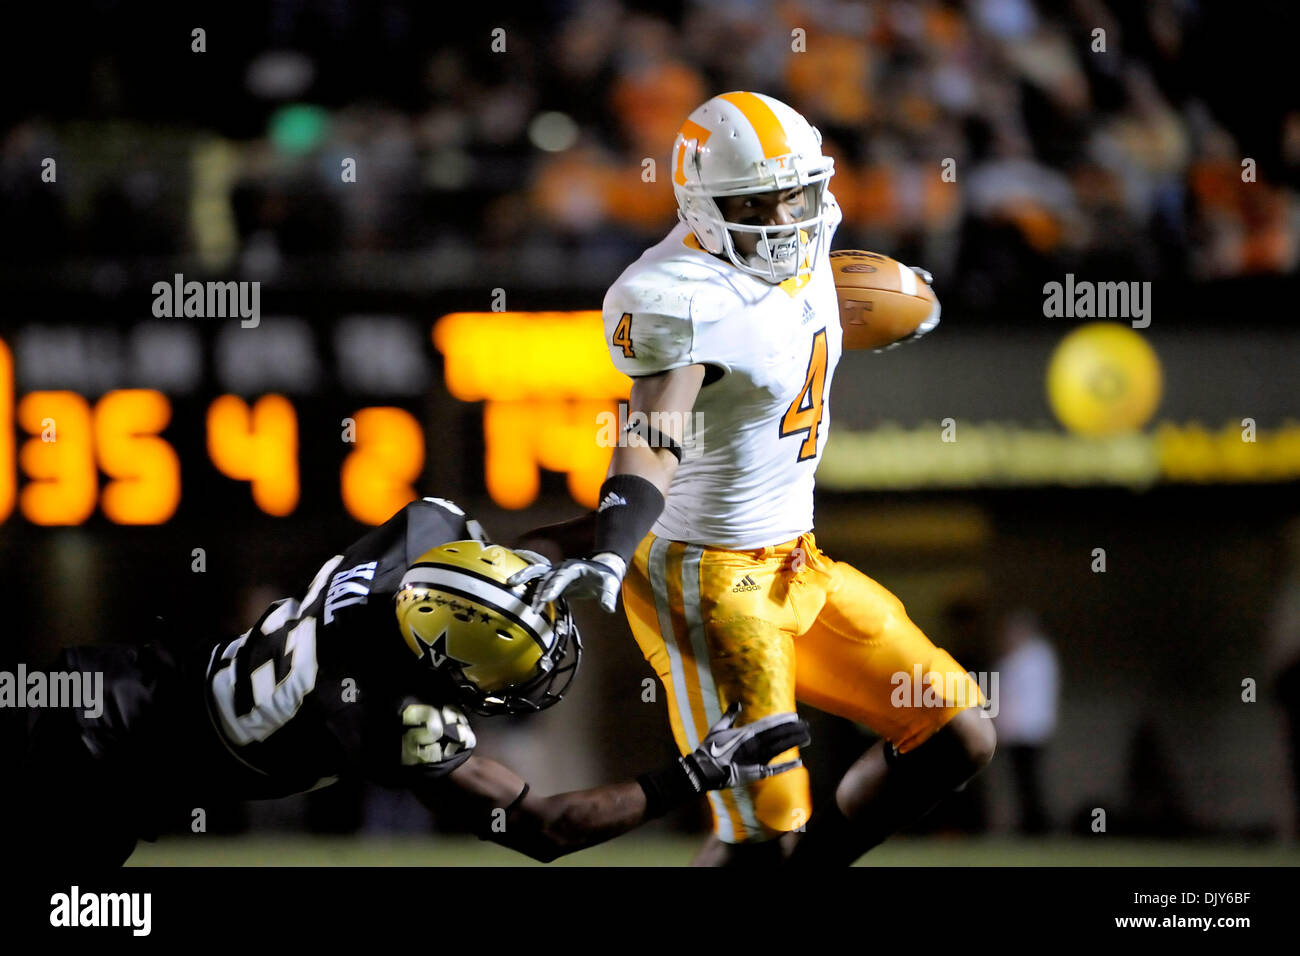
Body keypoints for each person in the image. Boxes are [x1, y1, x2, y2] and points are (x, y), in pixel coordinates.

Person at [515, 92, 996, 866]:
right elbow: (653, 433)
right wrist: (612, 544)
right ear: (704, 208)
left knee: (958, 731)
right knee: (763, 830)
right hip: (707, 585)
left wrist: (904, 296)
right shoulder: (679, 294)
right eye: (754, 203)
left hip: (797, 561)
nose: (782, 220)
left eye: (794, 195)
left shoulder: (808, 243)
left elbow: (806, 312)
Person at [6, 496, 808, 867]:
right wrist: (699, 772)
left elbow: (502, 561)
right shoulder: (390, 714)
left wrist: (628, 536)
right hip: (87, 766)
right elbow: (543, 829)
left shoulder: (422, 538)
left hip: (104, 689)